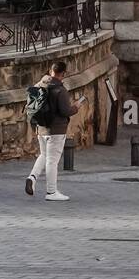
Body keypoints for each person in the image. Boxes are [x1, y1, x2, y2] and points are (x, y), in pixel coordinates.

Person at [24, 59, 85, 203]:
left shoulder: (39, 85)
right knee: (52, 161)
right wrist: (76, 106)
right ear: (63, 73)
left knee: (44, 155)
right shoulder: (60, 90)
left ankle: (32, 178)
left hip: (41, 127)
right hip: (56, 130)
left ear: (50, 71)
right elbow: (65, 111)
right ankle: (51, 192)